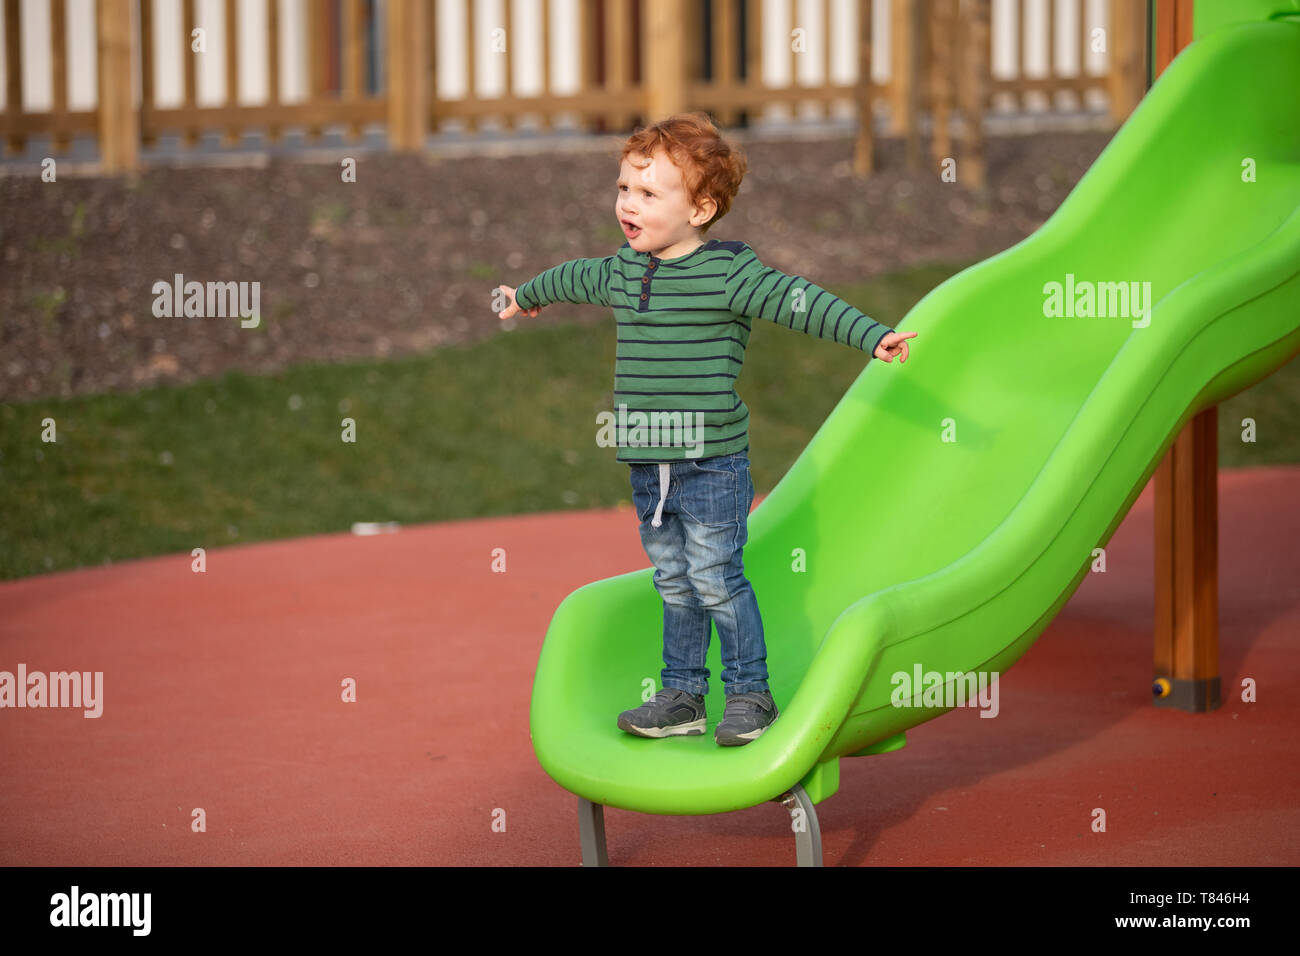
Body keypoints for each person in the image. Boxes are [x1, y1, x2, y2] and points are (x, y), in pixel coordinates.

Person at [495, 112, 916, 746]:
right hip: (648, 464)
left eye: (647, 193)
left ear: (700, 209)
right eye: (622, 189)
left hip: (711, 463)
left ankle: (751, 696)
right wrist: (526, 295)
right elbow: (570, 277)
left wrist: (871, 335)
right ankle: (682, 695)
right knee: (673, 581)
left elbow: (800, 301)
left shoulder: (730, 274)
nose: (627, 204)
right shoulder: (621, 270)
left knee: (717, 578)